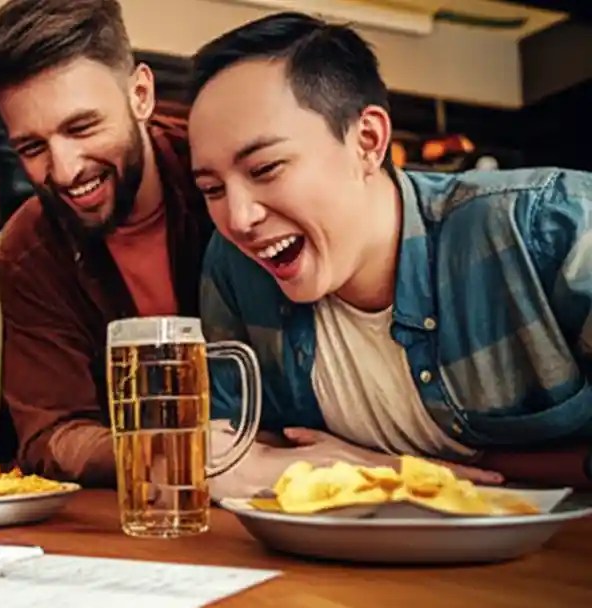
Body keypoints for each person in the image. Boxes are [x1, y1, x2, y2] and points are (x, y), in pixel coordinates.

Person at [188, 12, 592, 493]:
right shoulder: (234, 267)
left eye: (265, 169)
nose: (238, 219)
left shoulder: (552, 225)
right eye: (212, 189)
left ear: (368, 141)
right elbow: (214, 451)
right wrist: (378, 471)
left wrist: (414, 469)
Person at [0, 0, 213, 485]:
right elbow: (53, 434)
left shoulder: (221, 181)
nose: (64, 171)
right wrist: (182, 452)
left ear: (140, 94)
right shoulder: (28, 249)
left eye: (82, 127)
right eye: (32, 147)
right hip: (139, 510)